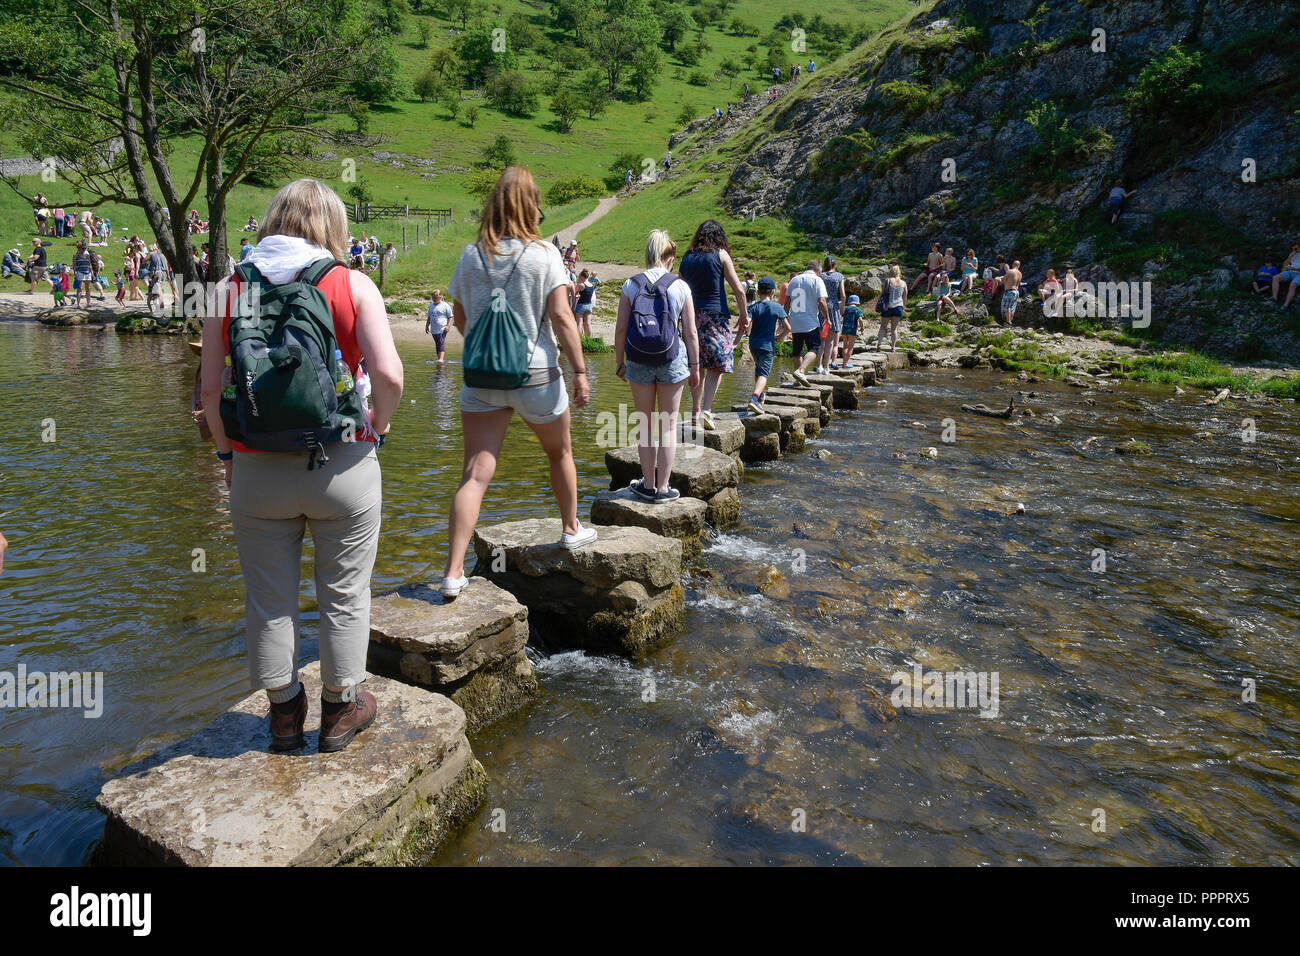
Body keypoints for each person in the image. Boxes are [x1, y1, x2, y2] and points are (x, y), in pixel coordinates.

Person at [201, 177, 404, 754]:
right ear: (331, 227)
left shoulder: (229, 288)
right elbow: (390, 377)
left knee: (268, 598)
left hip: (256, 468)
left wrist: (225, 456)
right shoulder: (352, 283)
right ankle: (341, 710)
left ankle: (286, 715)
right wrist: (377, 430)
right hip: (342, 464)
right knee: (344, 592)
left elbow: (211, 391)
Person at [441, 166, 596, 600]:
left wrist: (483, 348)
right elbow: (564, 319)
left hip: (482, 379)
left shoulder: (471, 254)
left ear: (493, 203)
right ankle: (570, 529)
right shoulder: (544, 255)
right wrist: (581, 372)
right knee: (559, 452)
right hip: (537, 376)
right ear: (532, 204)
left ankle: (453, 573)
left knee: (475, 473)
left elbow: (460, 316)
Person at [614, 229, 701, 503]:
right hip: (672, 359)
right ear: (670, 256)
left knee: (645, 423)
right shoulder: (680, 286)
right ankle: (664, 489)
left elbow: (620, 330)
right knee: (668, 425)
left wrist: (619, 363)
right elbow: (690, 333)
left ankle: (647, 486)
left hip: (638, 359)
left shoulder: (631, 285)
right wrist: (695, 366)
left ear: (648, 253)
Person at [679, 219, 749, 429]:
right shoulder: (721, 254)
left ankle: (695, 412)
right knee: (717, 365)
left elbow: (680, 287)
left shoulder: (687, 258)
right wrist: (744, 316)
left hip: (690, 315)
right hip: (715, 315)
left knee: (696, 364)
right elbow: (739, 289)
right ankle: (707, 411)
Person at [745, 276, 790, 413]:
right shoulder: (777, 307)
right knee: (764, 373)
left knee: (758, 369)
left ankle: (761, 395)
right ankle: (754, 398)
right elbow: (788, 327)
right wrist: (780, 337)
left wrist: (746, 332)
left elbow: (747, 323)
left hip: (753, 344)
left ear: (758, 292)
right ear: (773, 291)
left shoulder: (753, 307)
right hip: (768, 345)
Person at [784, 261, 829, 385]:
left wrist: (784, 320)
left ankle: (798, 381)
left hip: (794, 320)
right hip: (810, 321)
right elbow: (822, 301)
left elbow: (787, 303)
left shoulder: (794, 280)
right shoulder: (817, 280)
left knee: (797, 351)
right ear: (817, 271)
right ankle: (801, 370)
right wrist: (827, 318)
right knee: (815, 348)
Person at [818, 255, 845, 373]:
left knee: (821, 339)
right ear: (835, 265)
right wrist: (842, 307)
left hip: (822, 306)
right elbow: (843, 295)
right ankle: (826, 367)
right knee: (830, 340)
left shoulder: (821, 276)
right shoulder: (839, 276)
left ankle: (818, 365)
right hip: (834, 307)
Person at [877, 265, 907, 352]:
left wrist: (878, 303)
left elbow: (883, 293)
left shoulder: (888, 281)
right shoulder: (904, 283)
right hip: (898, 307)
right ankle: (893, 347)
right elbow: (905, 297)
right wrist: (903, 307)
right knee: (894, 329)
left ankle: (879, 345)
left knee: (883, 327)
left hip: (888, 306)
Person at [425, 288, 453, 363]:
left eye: (435, 298)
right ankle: (439, 358)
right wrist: (427, 326)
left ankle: (441, 359)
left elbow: (450, 317)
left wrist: (448, 326)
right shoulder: (431, 305)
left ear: (440, 297)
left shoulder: (445, 305)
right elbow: (429, 317)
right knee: (437, 343)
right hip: (434, 329)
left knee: (441, 342)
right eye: (433, 298)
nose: (434, 299)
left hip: (442, 328)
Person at [840, 294, 863, 368]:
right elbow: (860, 319)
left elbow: (841, 315)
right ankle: (845, 363)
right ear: (857, 302)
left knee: (845, 346)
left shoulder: (846, 308)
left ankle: (844, 362)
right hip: (852, 330)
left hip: (844, 330)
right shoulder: (858, 310)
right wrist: (862, 328)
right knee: (850, 347)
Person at [573, 269, 599, 337]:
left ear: (582, 276)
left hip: (581, 305)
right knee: (588, 323)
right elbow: (587, 294)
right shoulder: (591, 285)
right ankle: (589, 339)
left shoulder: (581, 285)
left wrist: (576, 295)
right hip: (589, 305)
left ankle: (579, 339)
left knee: (580, 323)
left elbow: (574, 294)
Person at [72, 241, 95, 309]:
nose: (84, 249)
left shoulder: (87, 255)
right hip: (80, 272)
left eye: (85, 248)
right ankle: (78, 304)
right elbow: (74, 265)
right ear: (80, 248)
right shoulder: (76, 255)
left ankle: (88, 303)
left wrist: (92, 273)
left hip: (87, 272)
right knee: (80, 288)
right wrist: (75, 273)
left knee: (88, 288)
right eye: (83, 248)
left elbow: (89, 264)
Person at [1001, 259, 1023, 325]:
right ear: (1019, 266)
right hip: (1016, 291)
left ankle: (1008, 322)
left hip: (1009, 291)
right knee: (1012, 307)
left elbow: (1003, 280)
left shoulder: (1010, 271)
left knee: (1007, 307)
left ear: (1013, 264)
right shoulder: (1020, 274)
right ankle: (1010, 321)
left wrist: (1005, 283)